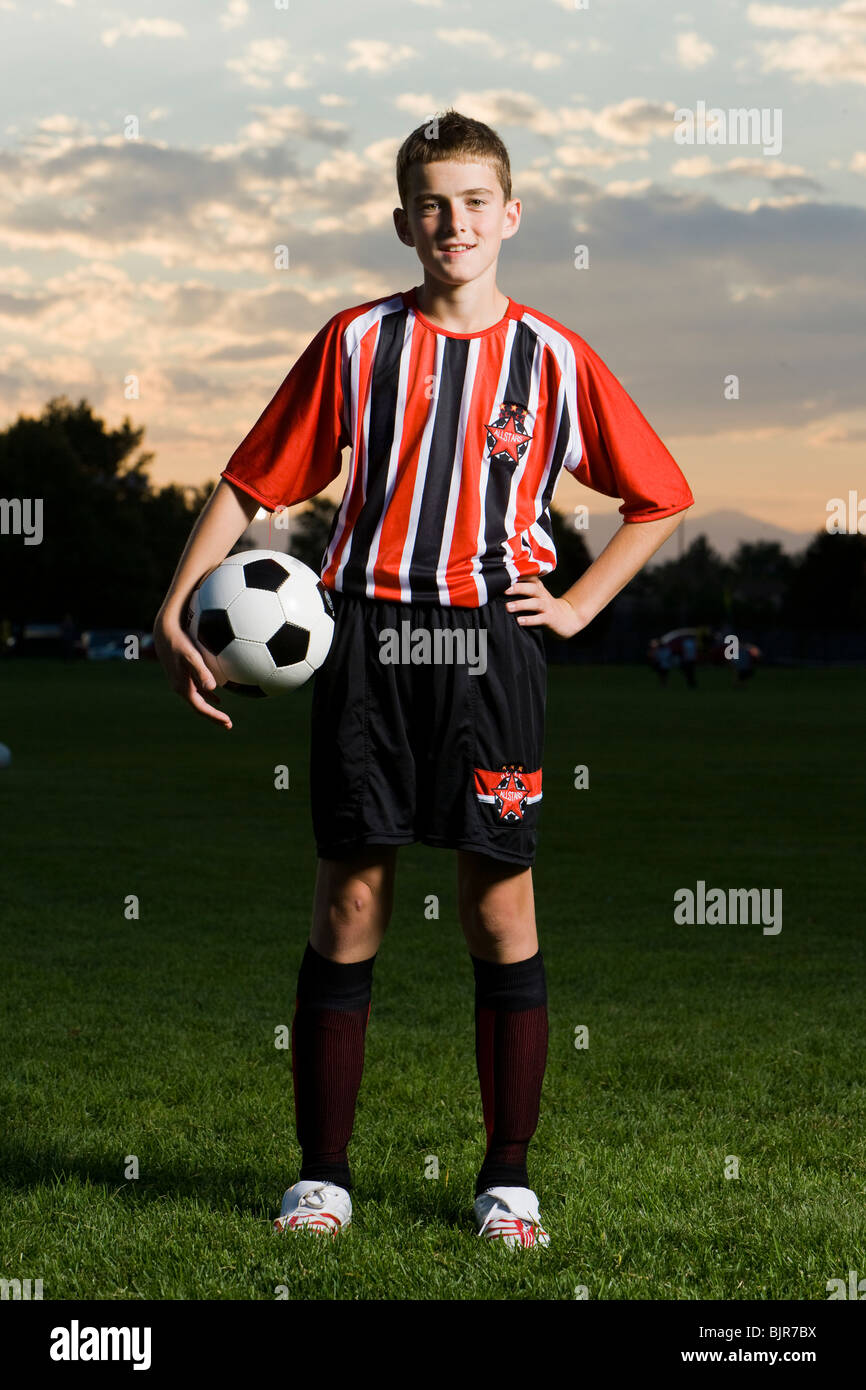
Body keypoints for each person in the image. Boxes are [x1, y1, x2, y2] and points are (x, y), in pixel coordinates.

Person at [153, 109, 694, 1248]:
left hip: (489, 651)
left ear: (511, 215)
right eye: (431, 205)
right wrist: (176, 596)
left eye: (473, 202)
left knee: (499, 906)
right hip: (368, 639)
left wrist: (583, 604)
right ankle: (322, 1177)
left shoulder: (551, 356)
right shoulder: (355, 342)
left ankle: (506, 1179)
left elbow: (657, 495)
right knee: (350, 895)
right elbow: (254, 481)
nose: (453, 222)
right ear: (403, 222)